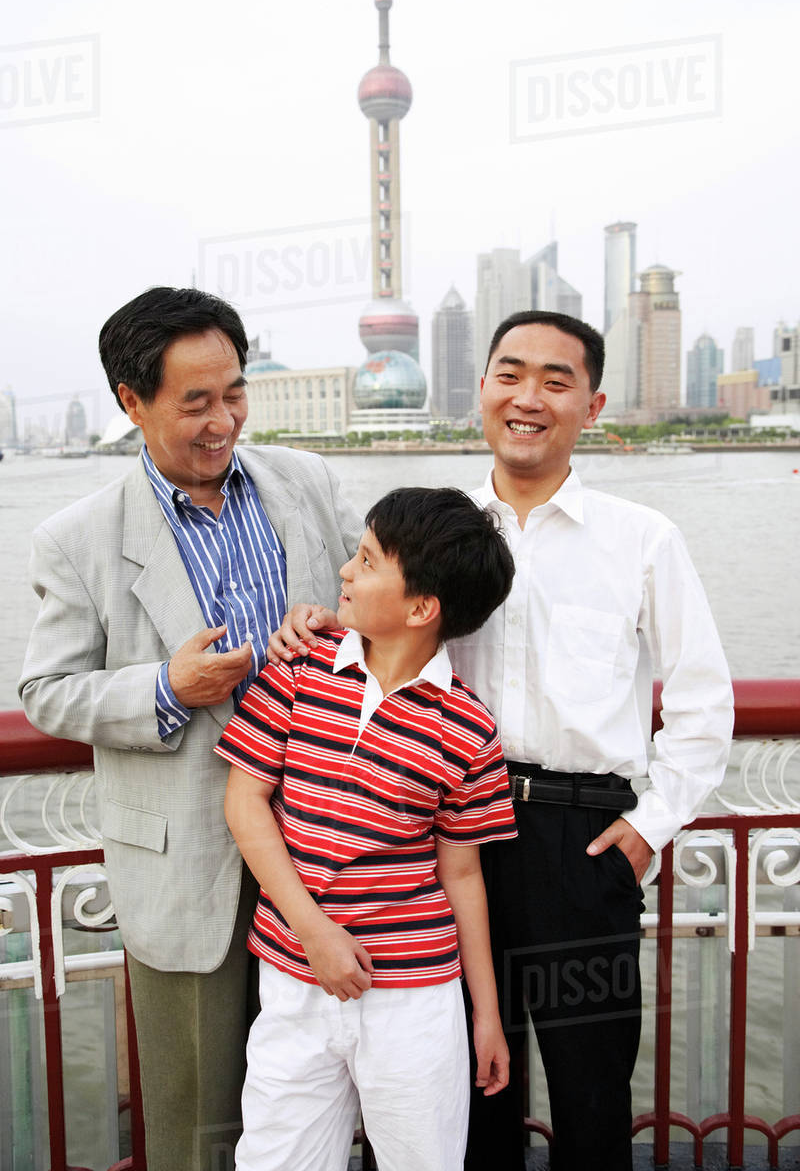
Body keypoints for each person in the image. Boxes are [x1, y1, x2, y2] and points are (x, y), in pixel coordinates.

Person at [268, 311, 735, 1171]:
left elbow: (704, 705)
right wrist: (311, 622)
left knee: (592, 1091)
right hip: (444, 844)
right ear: (479, 388)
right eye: (509, 374)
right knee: (470, 1089)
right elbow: (375, 637)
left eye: (556, 382)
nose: (528, 398)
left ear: (591, 406)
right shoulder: (432, 534)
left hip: (581, 842)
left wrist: (646, 833)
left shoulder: (641, 540)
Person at [18, 286, 362, 1171]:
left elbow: (390, 611)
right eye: (195, 403)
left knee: (327, 1100)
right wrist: (168, 687)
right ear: (131, 402)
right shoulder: (77, 537)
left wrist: (338, 625)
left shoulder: (309, 483)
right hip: (183, 868)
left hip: (332, 847)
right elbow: (46, 693)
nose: (223, 422)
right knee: (196, 1119)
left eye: (235, 393)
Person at [219, 487, 519, 1171]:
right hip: (295, 979)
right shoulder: (300, 664)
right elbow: (245, 804)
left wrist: (485, 1013)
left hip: (414, 995)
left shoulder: (467, 728)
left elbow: (461, 873)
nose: (346, 572)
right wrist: (314, 931)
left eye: (368, 559)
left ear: (421, 608)